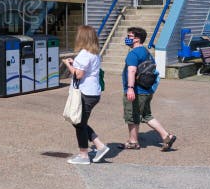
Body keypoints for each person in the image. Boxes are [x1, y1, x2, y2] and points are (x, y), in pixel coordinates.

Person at [121, 27, 176, 151]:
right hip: (146, 90)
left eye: (130, 36)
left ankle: (133, 142)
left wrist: (130, 88)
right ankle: (166, 136)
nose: (127, 39)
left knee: (132, 115)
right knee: (146, 115)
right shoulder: (146, 52)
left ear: (137, 39)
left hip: (136, 90)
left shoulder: (133, 53)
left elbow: (132, 70)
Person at [63, 25, 110, 165]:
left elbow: (78, 74)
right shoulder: (94, 54)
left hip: (85, 94)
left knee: (79, 124)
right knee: (80, 122)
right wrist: (74, 64)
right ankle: (100, 146)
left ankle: (84, 155)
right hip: (93, 92)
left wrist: (68, 64)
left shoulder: (84, 54)